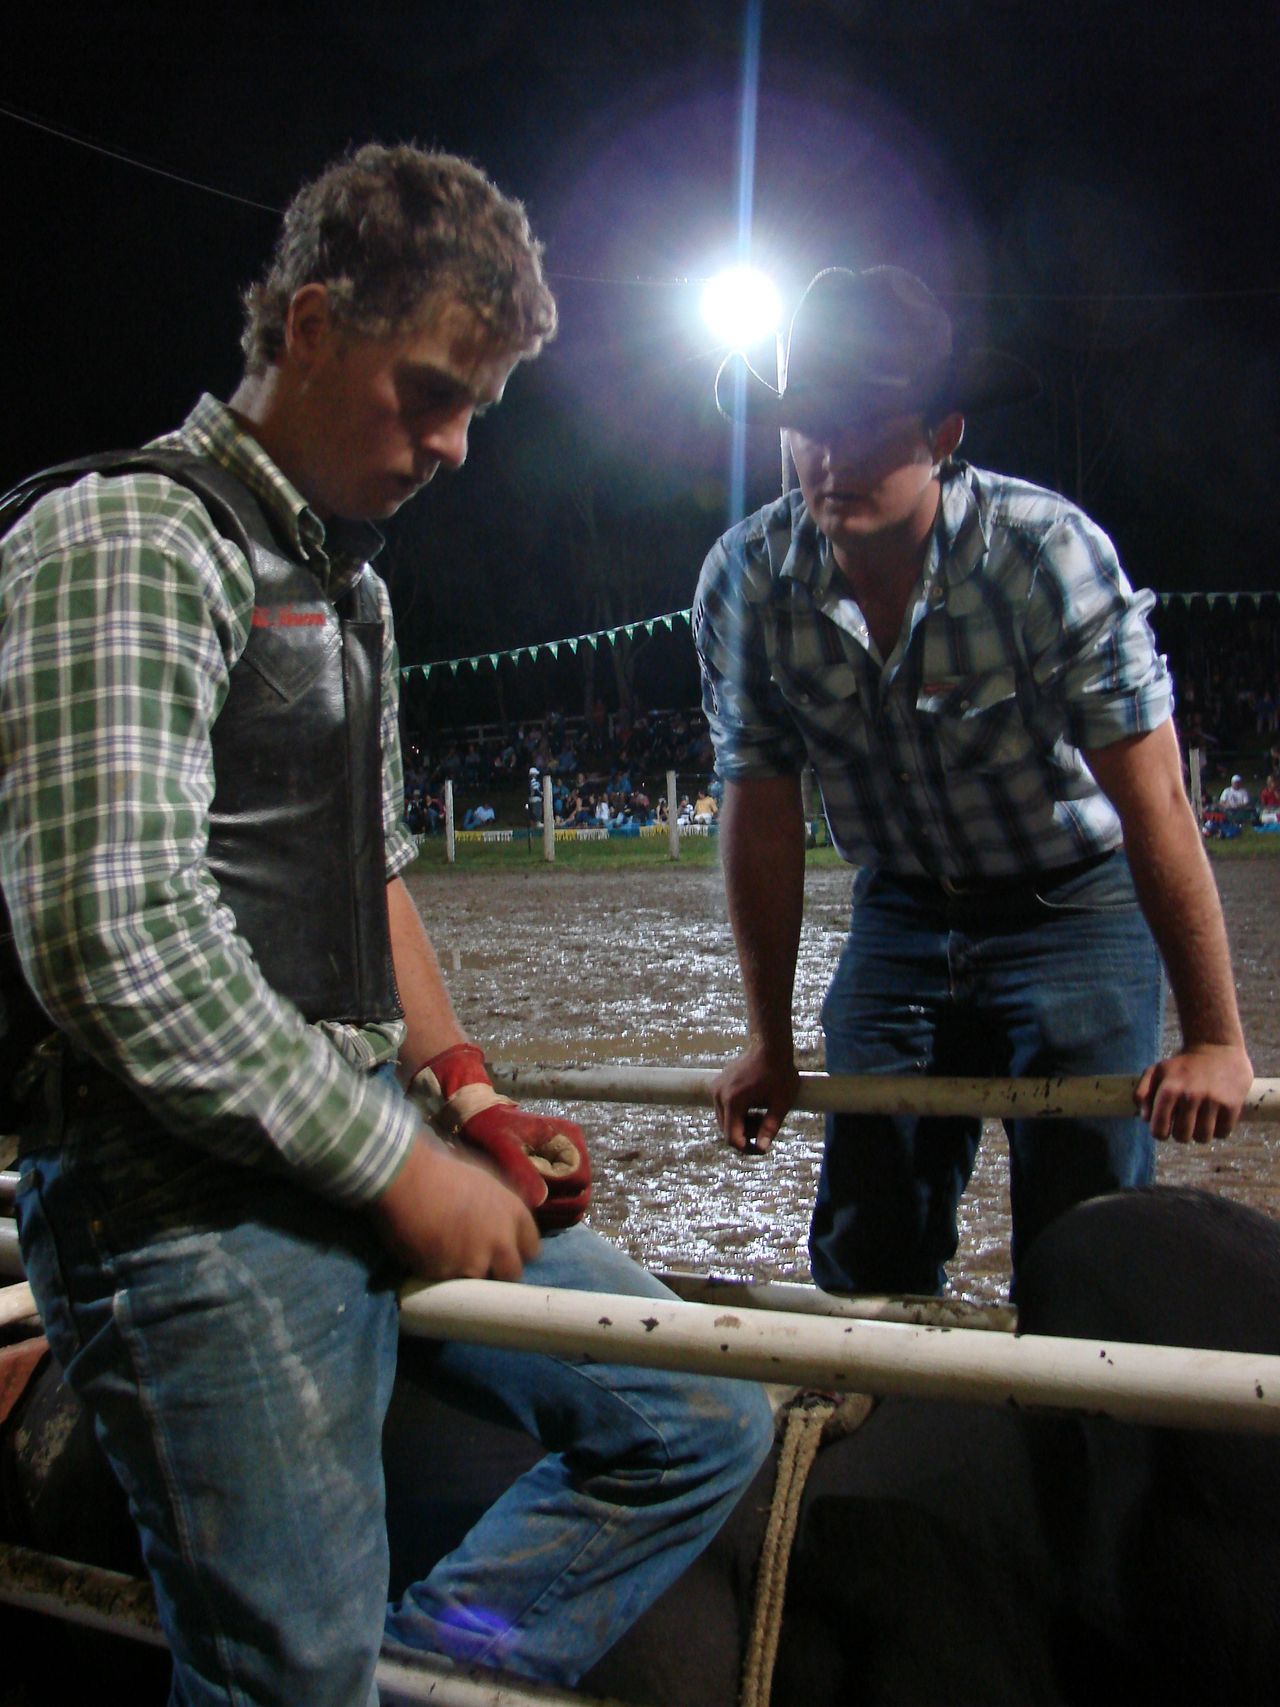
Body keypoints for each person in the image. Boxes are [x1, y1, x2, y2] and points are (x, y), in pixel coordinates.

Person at [0, 144, 772, 1705]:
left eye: (479, 405)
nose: (457, 445)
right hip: (182, 1199)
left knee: (701, 1418)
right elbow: (111, 935)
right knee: (283, 1662)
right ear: (306, 326)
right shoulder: (126, 541)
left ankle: (405, 1677)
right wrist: (399, 1166)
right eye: (429, 391)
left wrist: (466, 1097)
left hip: (345, 1141)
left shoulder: (351, 588)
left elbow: (374, 873)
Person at [694, 265, 1253, 1298]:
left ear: (942, 435)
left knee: (1087, 1234)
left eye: (862, 427)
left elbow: (1154, 800)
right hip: (899, 911)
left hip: (1071, 906)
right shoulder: (744, 577)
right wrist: (767, 1040)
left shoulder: (1043, 553)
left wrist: (1214, 1036)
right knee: (867, 1229)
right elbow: (759, 808)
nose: (825, 459)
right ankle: (882, 1436)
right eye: (804, 427)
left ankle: (1087, 1441)